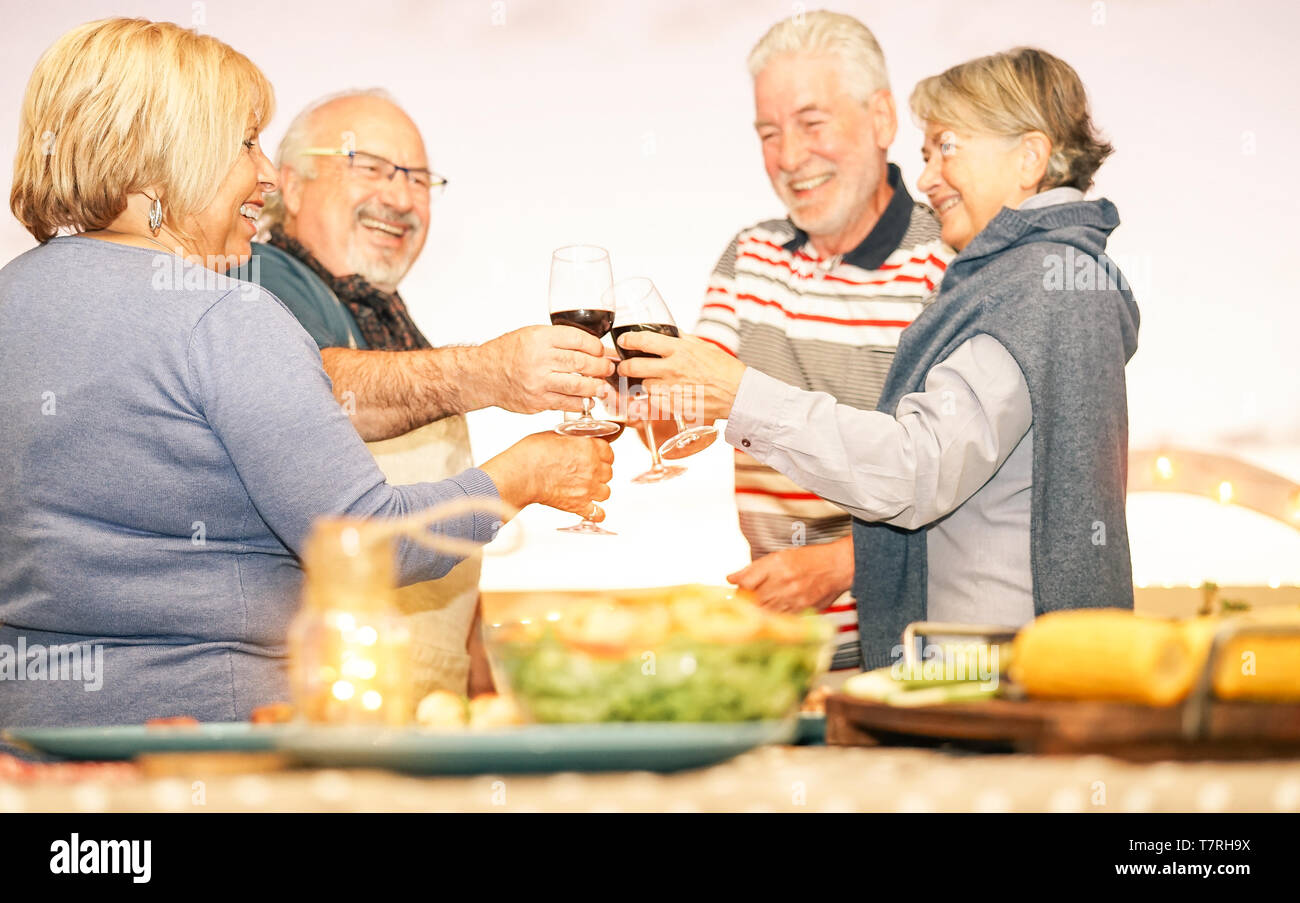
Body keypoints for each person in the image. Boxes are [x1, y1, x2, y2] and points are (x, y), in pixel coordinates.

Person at [0, 18, 612, 727]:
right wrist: (526, 474)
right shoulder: (225, 315)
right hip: (216, 747)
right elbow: (368, 544)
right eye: (246, 142)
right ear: (162, 155)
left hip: (30, 741)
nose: (264, 173)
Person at [620, 46, 1138, 669]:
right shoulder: (1042, 274)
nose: (926, 177)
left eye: (948, 147)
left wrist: (739, 395)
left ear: (1029, 157)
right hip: (964, 670)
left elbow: (916, 470)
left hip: (989, 680)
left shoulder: (1031, 285)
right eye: (927, 154)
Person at [231, 91, 613, 699]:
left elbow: (440, 535)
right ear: (292, 186)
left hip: (417, 701)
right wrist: (490, 372)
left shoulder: (386, 316)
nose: (402, 198)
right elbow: (317, 387)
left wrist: (483, 682)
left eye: (418, 179)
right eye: (373, 168)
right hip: (319, 698)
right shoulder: (256, 280)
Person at [690, 11, 951, 677]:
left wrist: (839, 565)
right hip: (783, 667)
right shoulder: (750, 256)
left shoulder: (949, 265)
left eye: (812, 124)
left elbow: (970, 481)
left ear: (883, 119)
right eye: (769, 133)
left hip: (919, 665)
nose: (788, 157)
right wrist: (633, 396)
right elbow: (685, 421)